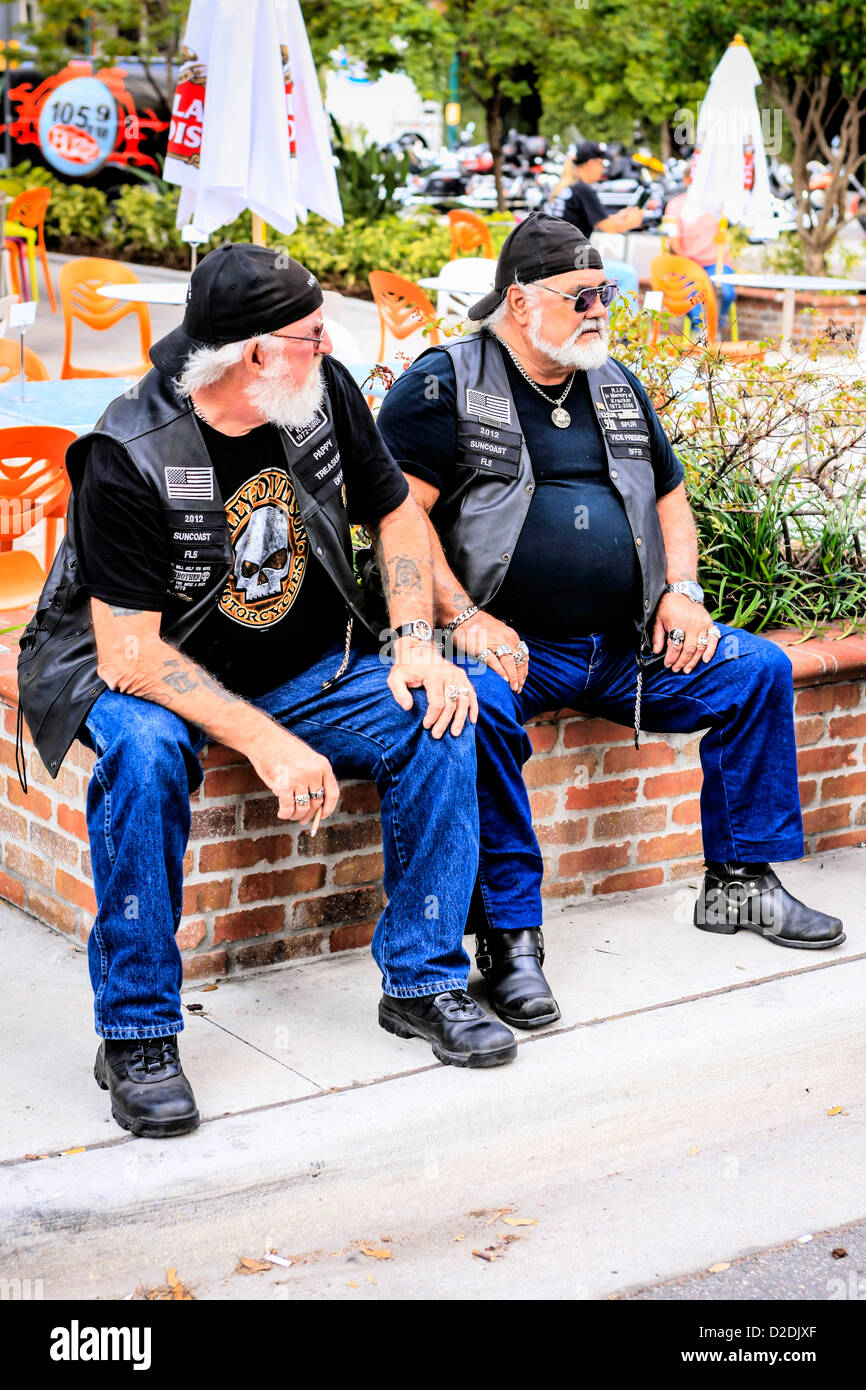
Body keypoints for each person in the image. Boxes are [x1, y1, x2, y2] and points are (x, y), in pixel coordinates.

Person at [16, 244, 518, 1139]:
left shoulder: (317, 395)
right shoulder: (129, 448)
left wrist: (411, 640)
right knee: (144, 752)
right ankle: (136, 1031)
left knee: (442, 713)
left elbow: (397, 510)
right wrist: (266, 739)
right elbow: (129, 654)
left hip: (306, 667)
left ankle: (423, 982)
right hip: (139, 670)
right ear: (256, 351)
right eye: (314, 333)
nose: (330, 344)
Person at [375, 213, 844, 1029]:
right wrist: (466, 617)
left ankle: (740, 886)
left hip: (625, 648)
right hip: (512, 647)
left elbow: (670, 499)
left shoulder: (614, 383)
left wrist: (682, 590)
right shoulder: (445, 382)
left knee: (757, 671)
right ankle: (510, 941)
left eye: (607, 292)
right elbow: (398, 520)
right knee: (472, 708)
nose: (600, 309)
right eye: (582, 294)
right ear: (519, 304)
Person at [664, 170, 736, 335]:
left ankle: (713, 329)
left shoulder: (719, 205)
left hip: (717, 262)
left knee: (725, 292)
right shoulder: (675, 205)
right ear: (687, 179)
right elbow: (672, 238)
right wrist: (685, 262)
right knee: (691, 294)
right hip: (688, 263)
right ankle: (702, 332)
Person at [548, 141, 645, 237]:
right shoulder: (583, 190)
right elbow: (609, 227)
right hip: (568, 250)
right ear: (591, 163)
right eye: (602, 163)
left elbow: (596, 219)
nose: (604, 169)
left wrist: (618, 217)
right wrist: (633, 221)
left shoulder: (566, 186)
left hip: (552, 248)